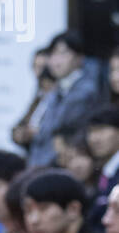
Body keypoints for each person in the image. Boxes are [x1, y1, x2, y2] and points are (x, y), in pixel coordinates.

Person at [28, 31, 102, 167]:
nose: (56, 60)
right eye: (53, 54)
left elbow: (57, 129)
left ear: (79, 58)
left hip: (61, 165)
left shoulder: (85, 91)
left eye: (63, 53)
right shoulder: (56, 89)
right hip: (43, 164)